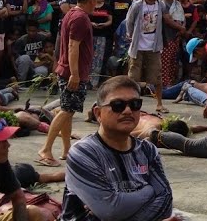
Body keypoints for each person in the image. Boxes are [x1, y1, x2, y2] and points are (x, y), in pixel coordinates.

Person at [61, 76, 177, 221]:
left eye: (135, 104)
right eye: (118, 105)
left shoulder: (147, 150)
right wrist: (149, 190)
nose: (128, 111)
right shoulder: (84, 152)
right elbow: (111, 210)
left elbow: (166, 201)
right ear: (98, 113)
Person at [37, 0, 95, 167]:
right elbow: (73, 46)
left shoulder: (71, 13)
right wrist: (75, 74)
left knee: (67, 110)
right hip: (72, 71)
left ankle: (67, 149)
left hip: (66, 69)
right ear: (91, 0)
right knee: (67, 110)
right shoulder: (81, 18)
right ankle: (46, 149)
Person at [125, 0, 166, 114]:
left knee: (157, 76)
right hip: (138, 44)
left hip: (153, 45)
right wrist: (130, 34)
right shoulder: (137, 5)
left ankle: (159, 103)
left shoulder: (161, 5)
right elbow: (129, 21)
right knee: (133, 77)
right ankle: (132, 103)